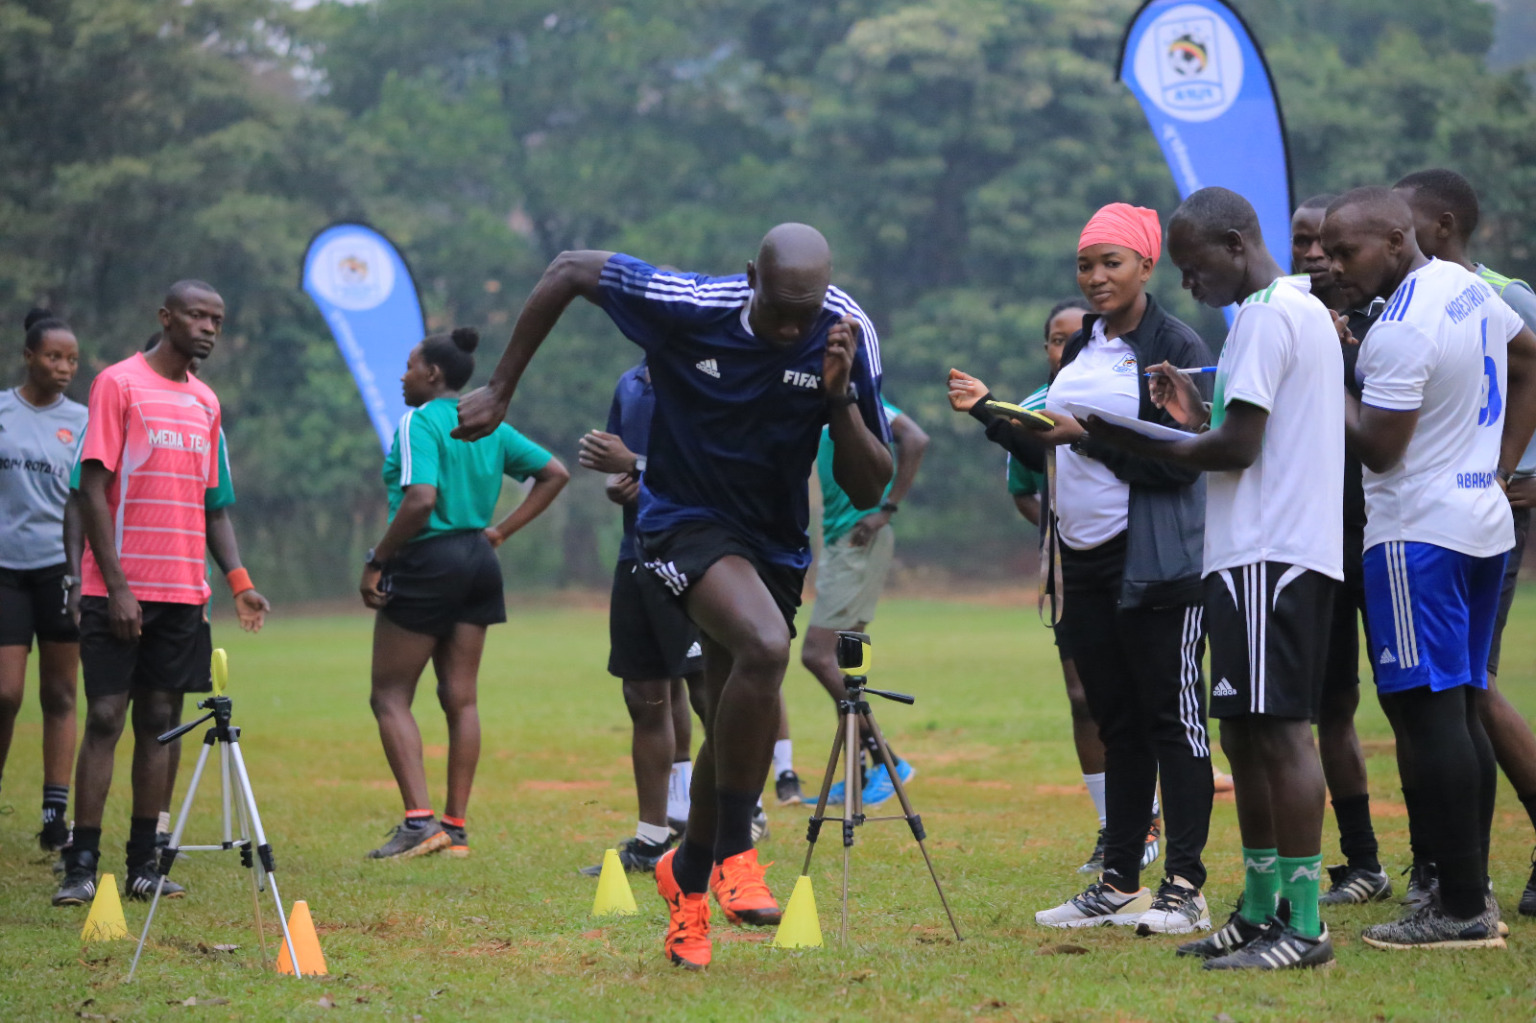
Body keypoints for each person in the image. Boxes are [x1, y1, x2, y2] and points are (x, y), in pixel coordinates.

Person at [453, 223, 894, 971]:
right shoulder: (688, 303)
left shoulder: (845, 332)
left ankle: (685, 879)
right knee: (764, 645)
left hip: (774, 544)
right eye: (780, 309)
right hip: (680, 521)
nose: (793, 327)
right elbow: (567, 269)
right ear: (749, 274)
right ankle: (735, 852)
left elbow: (869, 482)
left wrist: (841, 401)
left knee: (731, 703)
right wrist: (501, 386)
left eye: (805, 310)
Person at [1088, 187, 1346, 970]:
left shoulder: (1271, 314)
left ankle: (1304, 924)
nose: (1190, 285)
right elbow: (1241, 435)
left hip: (1275, 552)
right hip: (1246, 552)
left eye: (1197, 268)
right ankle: (1261, 906)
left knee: (1279, 734)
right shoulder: (1266, 319)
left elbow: (1235, 451)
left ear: (1237, 244)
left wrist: (1136, 435)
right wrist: (1194, 415)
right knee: (1242, 731)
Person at [948, 203, 1213, 935]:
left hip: (1156, 563)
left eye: (1111, 263)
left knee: (1174, 722)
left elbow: (1183, 464)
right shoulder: (1085, 345)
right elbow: (1054, 445)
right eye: (1085, 264)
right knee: (1118, 722)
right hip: (1084, 565)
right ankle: (1119, 881)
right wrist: (989, 415)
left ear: (1146, 266)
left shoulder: (1173, 346)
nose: (1096, 278)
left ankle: (1185, 887)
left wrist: (1086, 438)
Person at [1321, 186, 1536, 950]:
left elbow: (1379, 447)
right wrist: (1500, 464)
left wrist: (1322, 371)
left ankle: (1461, 906)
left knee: (1427, 714)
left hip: (1417, 538)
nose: (1334, 265)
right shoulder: (1464, 285)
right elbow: (1529, 354)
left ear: (1396, 235)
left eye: (1348, 252)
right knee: (1460, 703)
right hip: (1481, 523)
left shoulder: (1401, 327)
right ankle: (1461, 894)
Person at [54, 281, 270, 906]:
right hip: (117, 592)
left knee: (160, 724)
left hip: (182, 593)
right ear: (166, 317)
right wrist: (116, 587)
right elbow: (91, 490)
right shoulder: (117, 384)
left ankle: (144, 861)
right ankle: (81, 864)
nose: (208, 327)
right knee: (103, 717)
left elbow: (215, 509)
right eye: (197, 315)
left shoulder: (206, 402)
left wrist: (239, 583)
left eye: (218, 319)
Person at [361, 327, 568, 859]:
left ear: (432, 374)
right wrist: (498, 531)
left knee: (389, 696)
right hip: (478, 561)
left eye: (409, 366)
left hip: (429, 559)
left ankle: (418, 822)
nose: (402, 376)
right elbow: (554, 473)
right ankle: (454, 828)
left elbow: (420, 500)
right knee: (461, 697)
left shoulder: (419, 421)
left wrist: (377, 559)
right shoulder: (489, 424)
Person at [1393, 168, 1536, 916]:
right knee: (1446, 693)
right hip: (1439, 512)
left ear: (1442, 226)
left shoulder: (1495, 293)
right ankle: (1447, 870)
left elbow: (1533, 364)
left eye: (1404, 223)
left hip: (1475, 512)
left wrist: (1511, 465)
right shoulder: (1413, 297)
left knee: (1466, 690)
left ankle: (1463, 884)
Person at [1289, 195, 1392, 905]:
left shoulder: (1389, 317)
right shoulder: (1284, 318)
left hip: (1388, 532)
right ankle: (1363, 862)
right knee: (1330, 707)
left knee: (1428, 702)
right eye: (1304, 242)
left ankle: (1446, 868)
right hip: (1318, 537)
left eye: (1328, 243)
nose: (1316, 255)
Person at [575, 361, 706, 874]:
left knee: (708, 693)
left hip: (695, 554)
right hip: (638, 553)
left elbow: (717, 466)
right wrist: (617, 481)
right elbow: (618, 468)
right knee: (644, 695)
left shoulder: (709, 375)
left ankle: (727, 831)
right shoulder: (628, 382)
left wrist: (639, 464)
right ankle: (654, 839)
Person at [799, 396, 928, 808]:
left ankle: (889, 761)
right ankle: (856, 776)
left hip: (860, 538)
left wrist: (886, 509)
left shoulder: (864, 401)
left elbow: (916, 439)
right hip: (843, 539)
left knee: (816, 655)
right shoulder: (819, 405)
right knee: (846, 663)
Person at [0, 311, 88, 854]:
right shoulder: (3, 411)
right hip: (6, 569)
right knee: (5, 692)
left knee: (59, 693)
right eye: (54, 357)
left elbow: (89, 498)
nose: (63, 367)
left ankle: (55, 814)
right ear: (29, 356)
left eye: (72, 360)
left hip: (60, 569)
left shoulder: (80, 420)